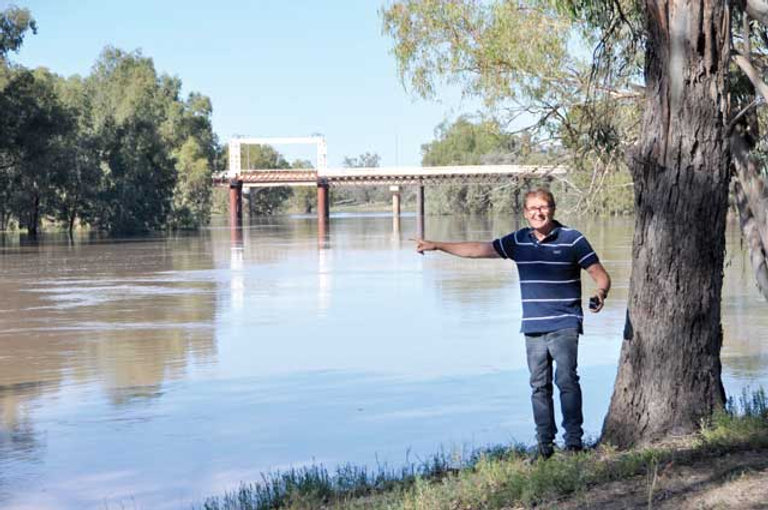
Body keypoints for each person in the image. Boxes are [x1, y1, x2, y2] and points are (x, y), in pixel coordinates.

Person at [414, 188, 611, 460]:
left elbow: (601, 275)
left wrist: (600, 293)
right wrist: (437, 245)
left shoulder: (573, 239)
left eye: (543, 207)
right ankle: (545, 447)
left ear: (553, 209)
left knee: (567, 381)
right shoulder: (518, 241)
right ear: (525, 213)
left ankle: (573, 444)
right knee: (538, 386)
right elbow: (478, 250)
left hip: (565, 323)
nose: (538, 212)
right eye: (532, 208)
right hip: (532, 327)